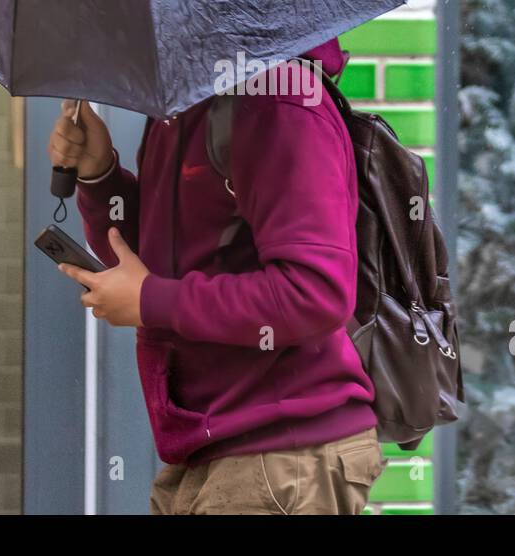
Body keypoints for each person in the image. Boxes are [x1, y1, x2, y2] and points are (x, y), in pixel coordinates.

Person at [46, 38, 387, 514]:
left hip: (277, 456)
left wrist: (153, 301)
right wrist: (99, 175)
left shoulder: (277, 101)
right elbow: (154, 265)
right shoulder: (189, 102)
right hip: (211, 448)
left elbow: (315, 293)